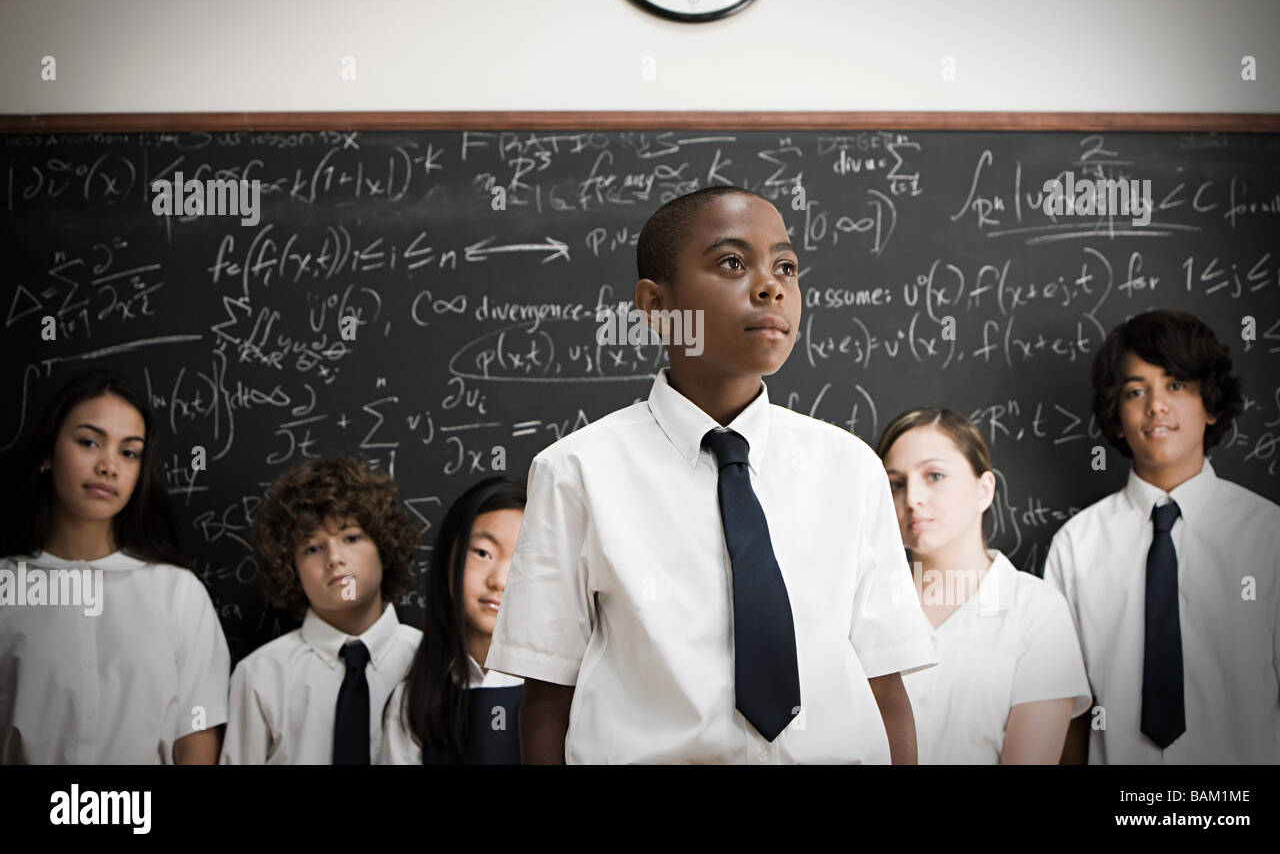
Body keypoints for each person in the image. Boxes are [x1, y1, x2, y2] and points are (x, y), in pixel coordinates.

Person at [485, 185, 936, 764]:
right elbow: (548, 698)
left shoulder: (849, 468)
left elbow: (884, 685)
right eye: (732, 262)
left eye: (786, 266)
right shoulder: (577, 471)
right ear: (655, 306)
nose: (771, 285)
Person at [1045, 309, 1280, 763]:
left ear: (1212, 404)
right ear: (1116, 416)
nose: (1156, 405)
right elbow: (1069, 712)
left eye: (1176, 385)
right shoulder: (1076, 547)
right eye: (1136, 391)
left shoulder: (1274, 537)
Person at [0, 369, 230, 764]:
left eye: (129, 452)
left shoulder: (177, 592)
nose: (108, 466)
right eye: (89, 442)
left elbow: (196, 735)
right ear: (48, 455)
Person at [878, 408, 1090, 764]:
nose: (912, 497)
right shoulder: (867, 604)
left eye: (935, 475)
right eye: (896, 484)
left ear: (984, 489)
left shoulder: (1036, 611)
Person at [220, 456, 420, 764]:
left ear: (384, 545)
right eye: (312, 548)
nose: (335, 558)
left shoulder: (432, 661)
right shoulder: (260, 676)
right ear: (289, 567)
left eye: (351, 538)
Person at [380, 476, 526, 764]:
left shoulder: (566, 696)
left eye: (522, 559)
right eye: (483, 553)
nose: (498, 580)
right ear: (450, 556)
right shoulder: (413, 701)